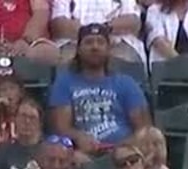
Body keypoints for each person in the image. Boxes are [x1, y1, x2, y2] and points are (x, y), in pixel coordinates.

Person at [46, 23, 152, 156]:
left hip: (125, 155)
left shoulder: (126, 83)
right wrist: (78, 137)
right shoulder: (64, 82)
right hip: (80, 154)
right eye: (88, 42)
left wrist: (122, 147)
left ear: (109, 49)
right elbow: (61, 128)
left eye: (100, 42)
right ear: (78, 49)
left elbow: (144, 130)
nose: (95, 47)